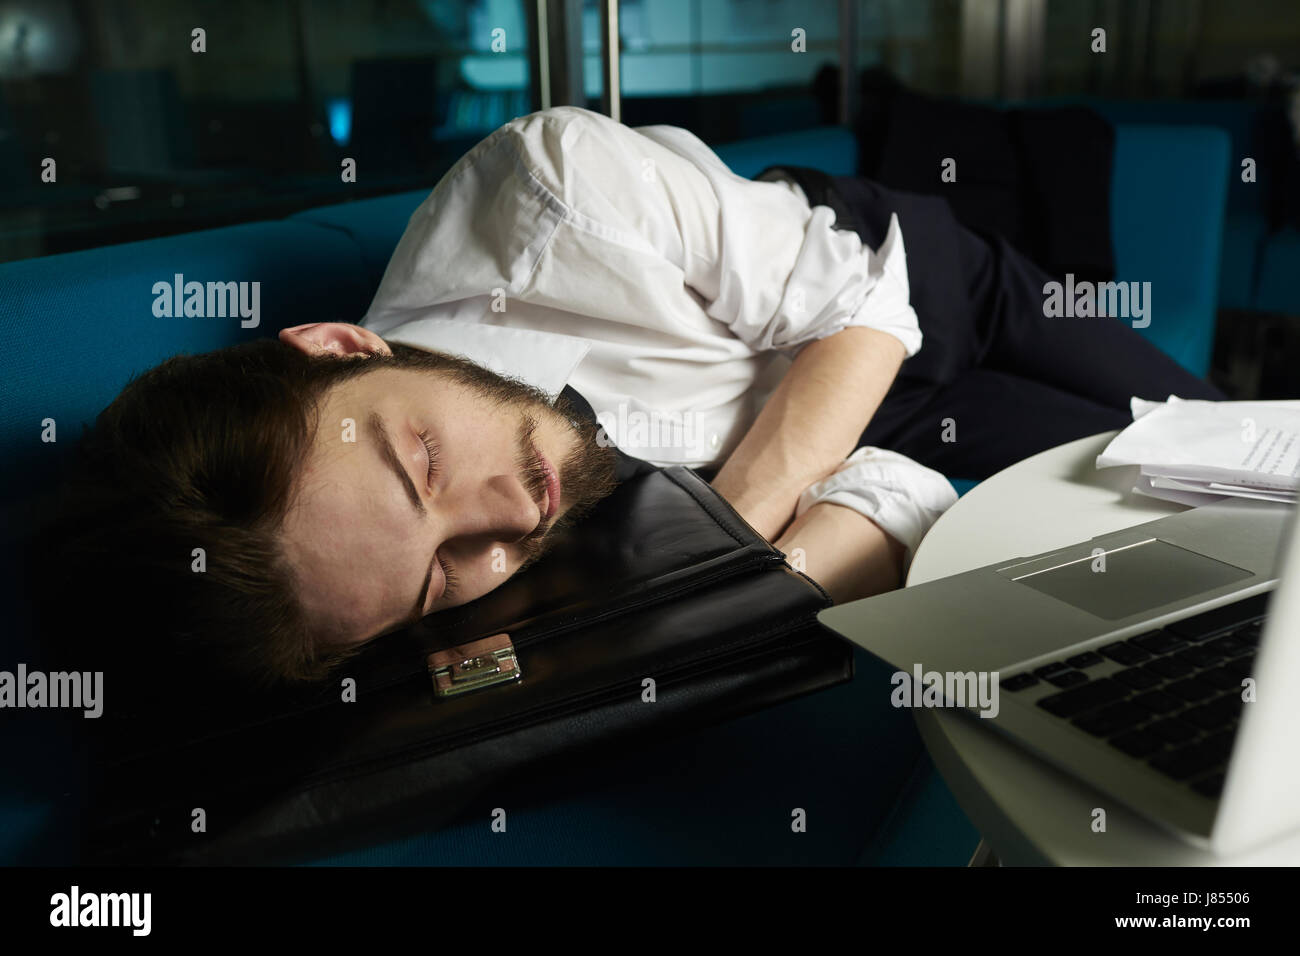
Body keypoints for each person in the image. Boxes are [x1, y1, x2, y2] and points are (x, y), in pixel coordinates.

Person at [43, 104, 1221, 698]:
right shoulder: (480, 556)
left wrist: (727, 548)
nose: (507, 516)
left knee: (1222, 437)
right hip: (886, 427)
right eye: (438, 572)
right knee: (1191, 515)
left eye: (423, 463)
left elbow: (866, 310)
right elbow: (902, 495)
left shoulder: (546, 186)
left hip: (918, 283)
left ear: (342, 349)